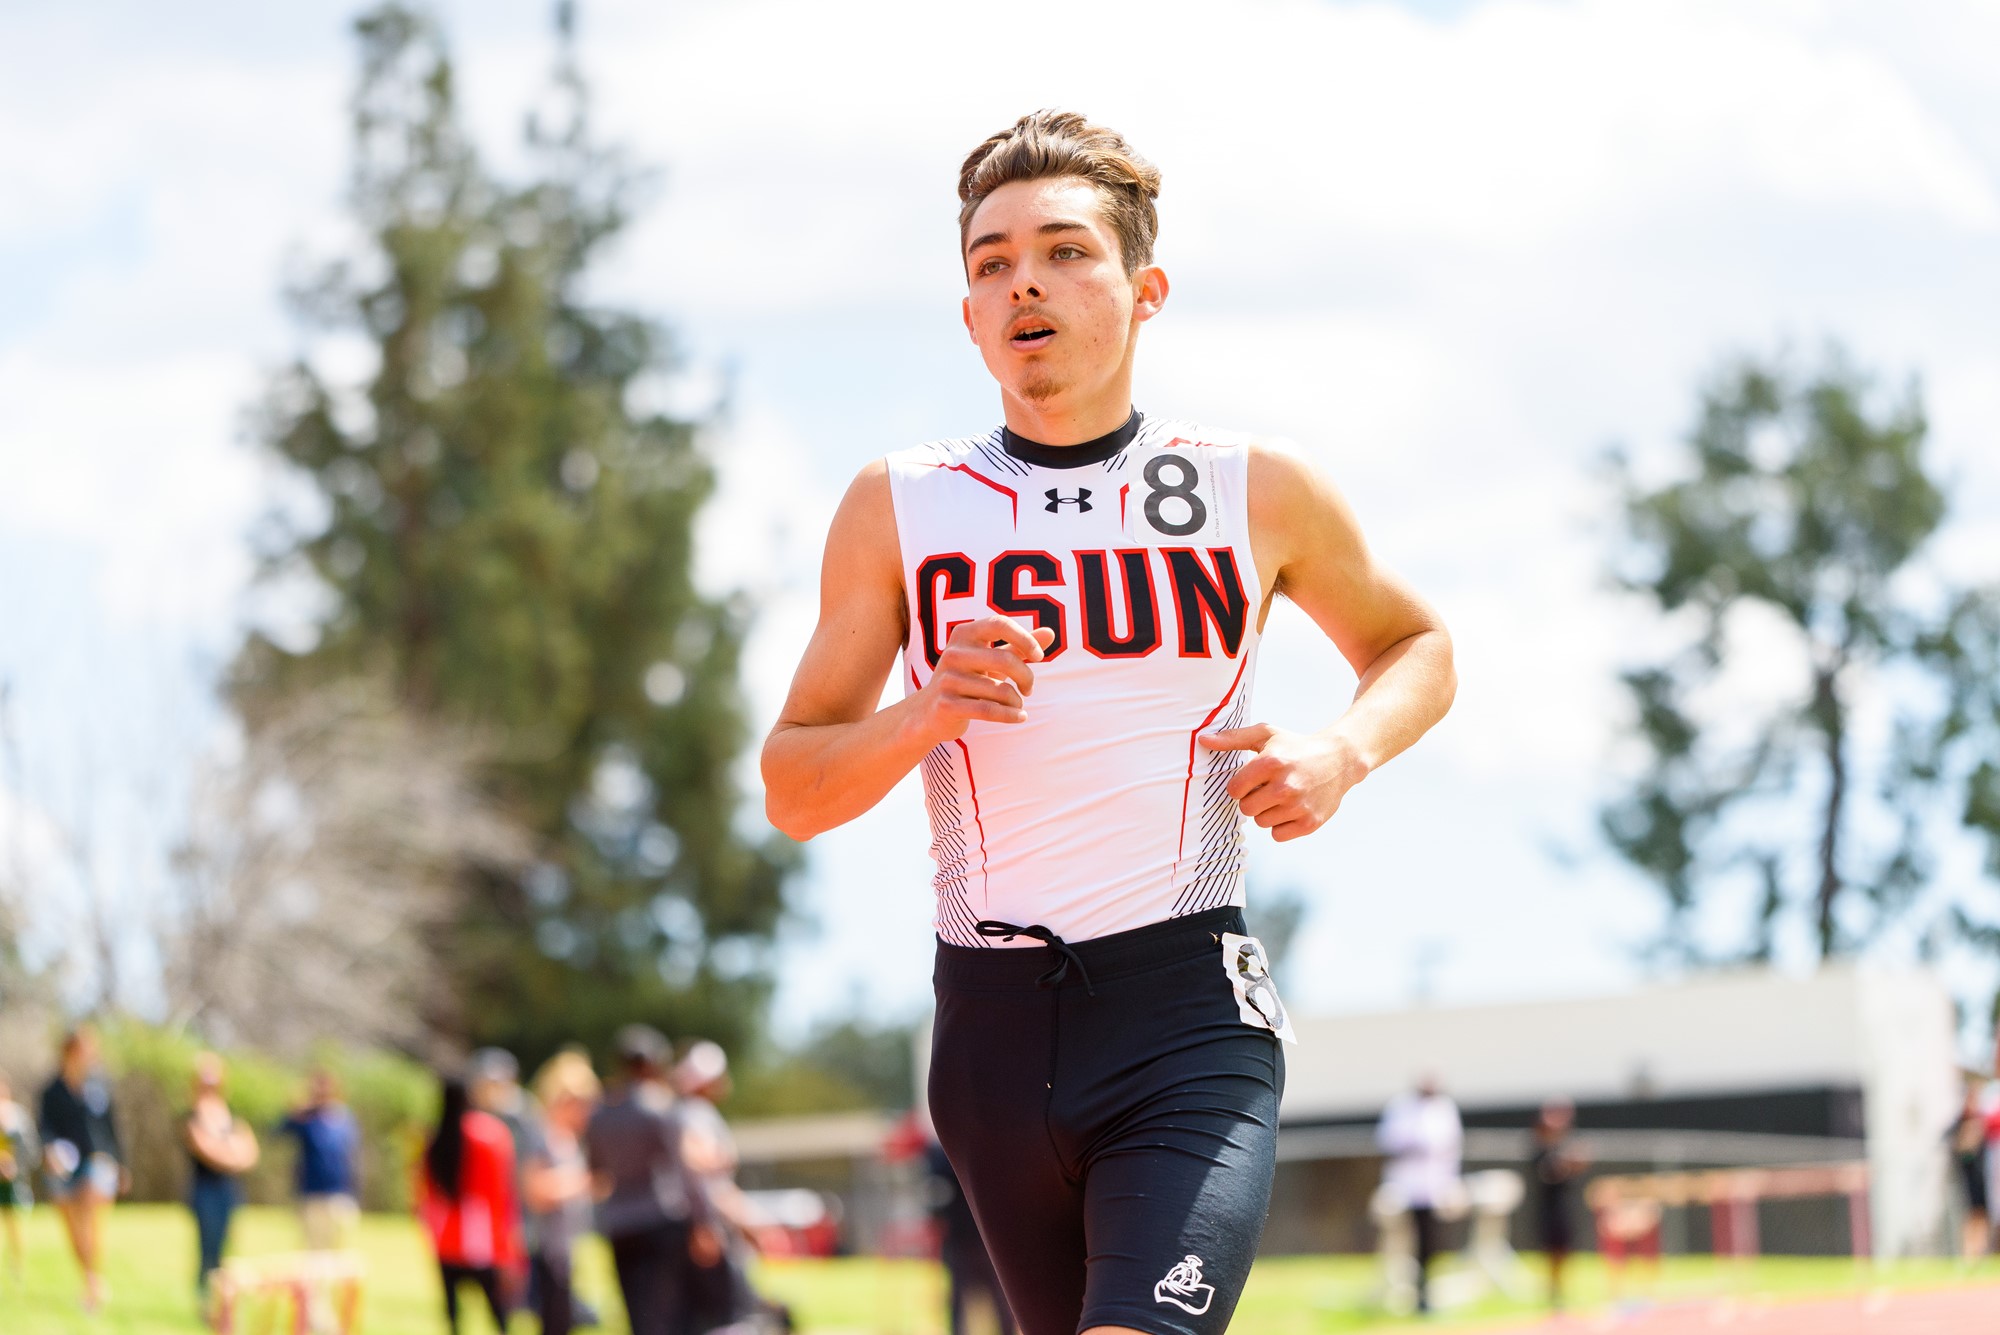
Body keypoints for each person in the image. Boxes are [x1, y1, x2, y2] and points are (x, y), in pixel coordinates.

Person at [761, 109, 1455, 1335]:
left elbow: (1416, 645)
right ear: (969, 316)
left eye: (1064, 250)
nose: (1024, 279)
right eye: (990, 262)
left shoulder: (1255, 486)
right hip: (989, 1036)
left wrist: (1341, 750)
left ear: (1145, 289)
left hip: (1185, 1014)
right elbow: (793, 786)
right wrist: (927, 711)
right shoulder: (900, 507)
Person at [586, 1024, 715, 1335]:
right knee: (669, 1312)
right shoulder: (660, 1109)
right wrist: (705, 1221)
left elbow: (597, 1171)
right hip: (661, 1220)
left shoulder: (600, 1114)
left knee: (637, 1314)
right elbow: (684, 1169)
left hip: (619, 1222)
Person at [418, 1074, 523, 1335]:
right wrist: (509, 1246)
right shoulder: (490, 1135)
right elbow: (502, 1195)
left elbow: (425, 1195)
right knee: (499, 1314)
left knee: (453, 1315)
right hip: (483, 1241)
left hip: (445, 1239)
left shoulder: (432, 1139)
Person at [39, 1025, 127, 1312]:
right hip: (64, 1167)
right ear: (69, 1052)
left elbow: (113, 1127)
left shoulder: (99, 1087)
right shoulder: (52, 1090)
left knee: (89, 1211)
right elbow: (45, 1128)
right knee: (74, 1226)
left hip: (98, 1161)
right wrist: (50, 1151)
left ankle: (92, 1283)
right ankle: (90, 1278)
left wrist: (123, 1164)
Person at [522, 1050, 601, 1335]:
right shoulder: (541, 1134)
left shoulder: (570, 1139)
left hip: (566, 1244)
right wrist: (582, 1183)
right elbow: (534, 1190)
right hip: (545, 1246)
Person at [1377, 1077, 1462, 1314]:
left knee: (1430, 1242)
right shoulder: (1401, 1107)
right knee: (1400, 1241)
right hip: (1405, 1186)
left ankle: (1425, 1291)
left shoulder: (1444, 1108)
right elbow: (1388, 1140)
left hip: (1434, 1188)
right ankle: (1400, 1288)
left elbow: (1450, 1146)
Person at [185, 1052, 260, 1305]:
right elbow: (205, 1149)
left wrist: (233, 1155)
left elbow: (249, 1149)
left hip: (228, 1189)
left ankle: (223, 1301)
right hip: (205, 1189)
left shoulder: (229, 1113)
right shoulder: (193, 1114)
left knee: (226, 1247)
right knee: (208, 1247)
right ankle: (205, 1300)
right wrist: (231, 1155)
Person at [926, 1138, 1017, 1335]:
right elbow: (937, 1194)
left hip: (987, 1238)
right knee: (959, 1298)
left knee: (1001, 1297)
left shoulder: (990, 1147)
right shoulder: (942, 1151)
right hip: (962, 1238)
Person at [277, 1069, 361, 1250]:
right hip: (312, 1192)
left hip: (340, 1191)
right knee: (314, 1249)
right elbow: (278, 1132)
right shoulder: (306, 1118)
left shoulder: (344, 1117)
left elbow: (352, 1153)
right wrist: (296, 1110)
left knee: (339, 1248)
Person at [1528, 1099, 1586, 1310]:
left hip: (1565, 1202)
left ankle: (1560, 1288)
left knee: (1565, 1246)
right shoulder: (1539, 1145)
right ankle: (1551, 1288)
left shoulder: (1568, 1142)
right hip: (1548, 1204)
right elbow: (1550, 1170)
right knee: (1550, 1247)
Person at [0, 1069, 39, 1283]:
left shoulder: (17, 1116)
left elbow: (31, 1148)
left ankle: (17, 1266)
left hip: (13, 1180)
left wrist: (15, 1166)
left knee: (14, 1224)